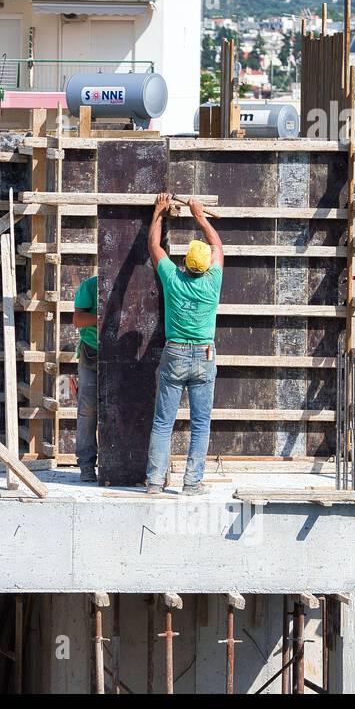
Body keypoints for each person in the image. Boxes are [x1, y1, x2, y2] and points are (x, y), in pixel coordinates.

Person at [145, 193, 224, 495]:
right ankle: (192, 483)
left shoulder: (173, 279)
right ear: (204, 266)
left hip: (175, 351)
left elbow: (154, 247)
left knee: (163, 422)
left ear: (185, 262)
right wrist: (199, 216)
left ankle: (154, 482)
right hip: (204, 353)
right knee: (201, 423)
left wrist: (158, 213)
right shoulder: (213, 280)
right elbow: (217, 246)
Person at [72, 274, 99, 483]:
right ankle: (87, 465)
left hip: (122, 355)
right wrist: (104, 317)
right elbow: (78, 320)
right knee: (87, 411)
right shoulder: (90, 286)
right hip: (93, 354)